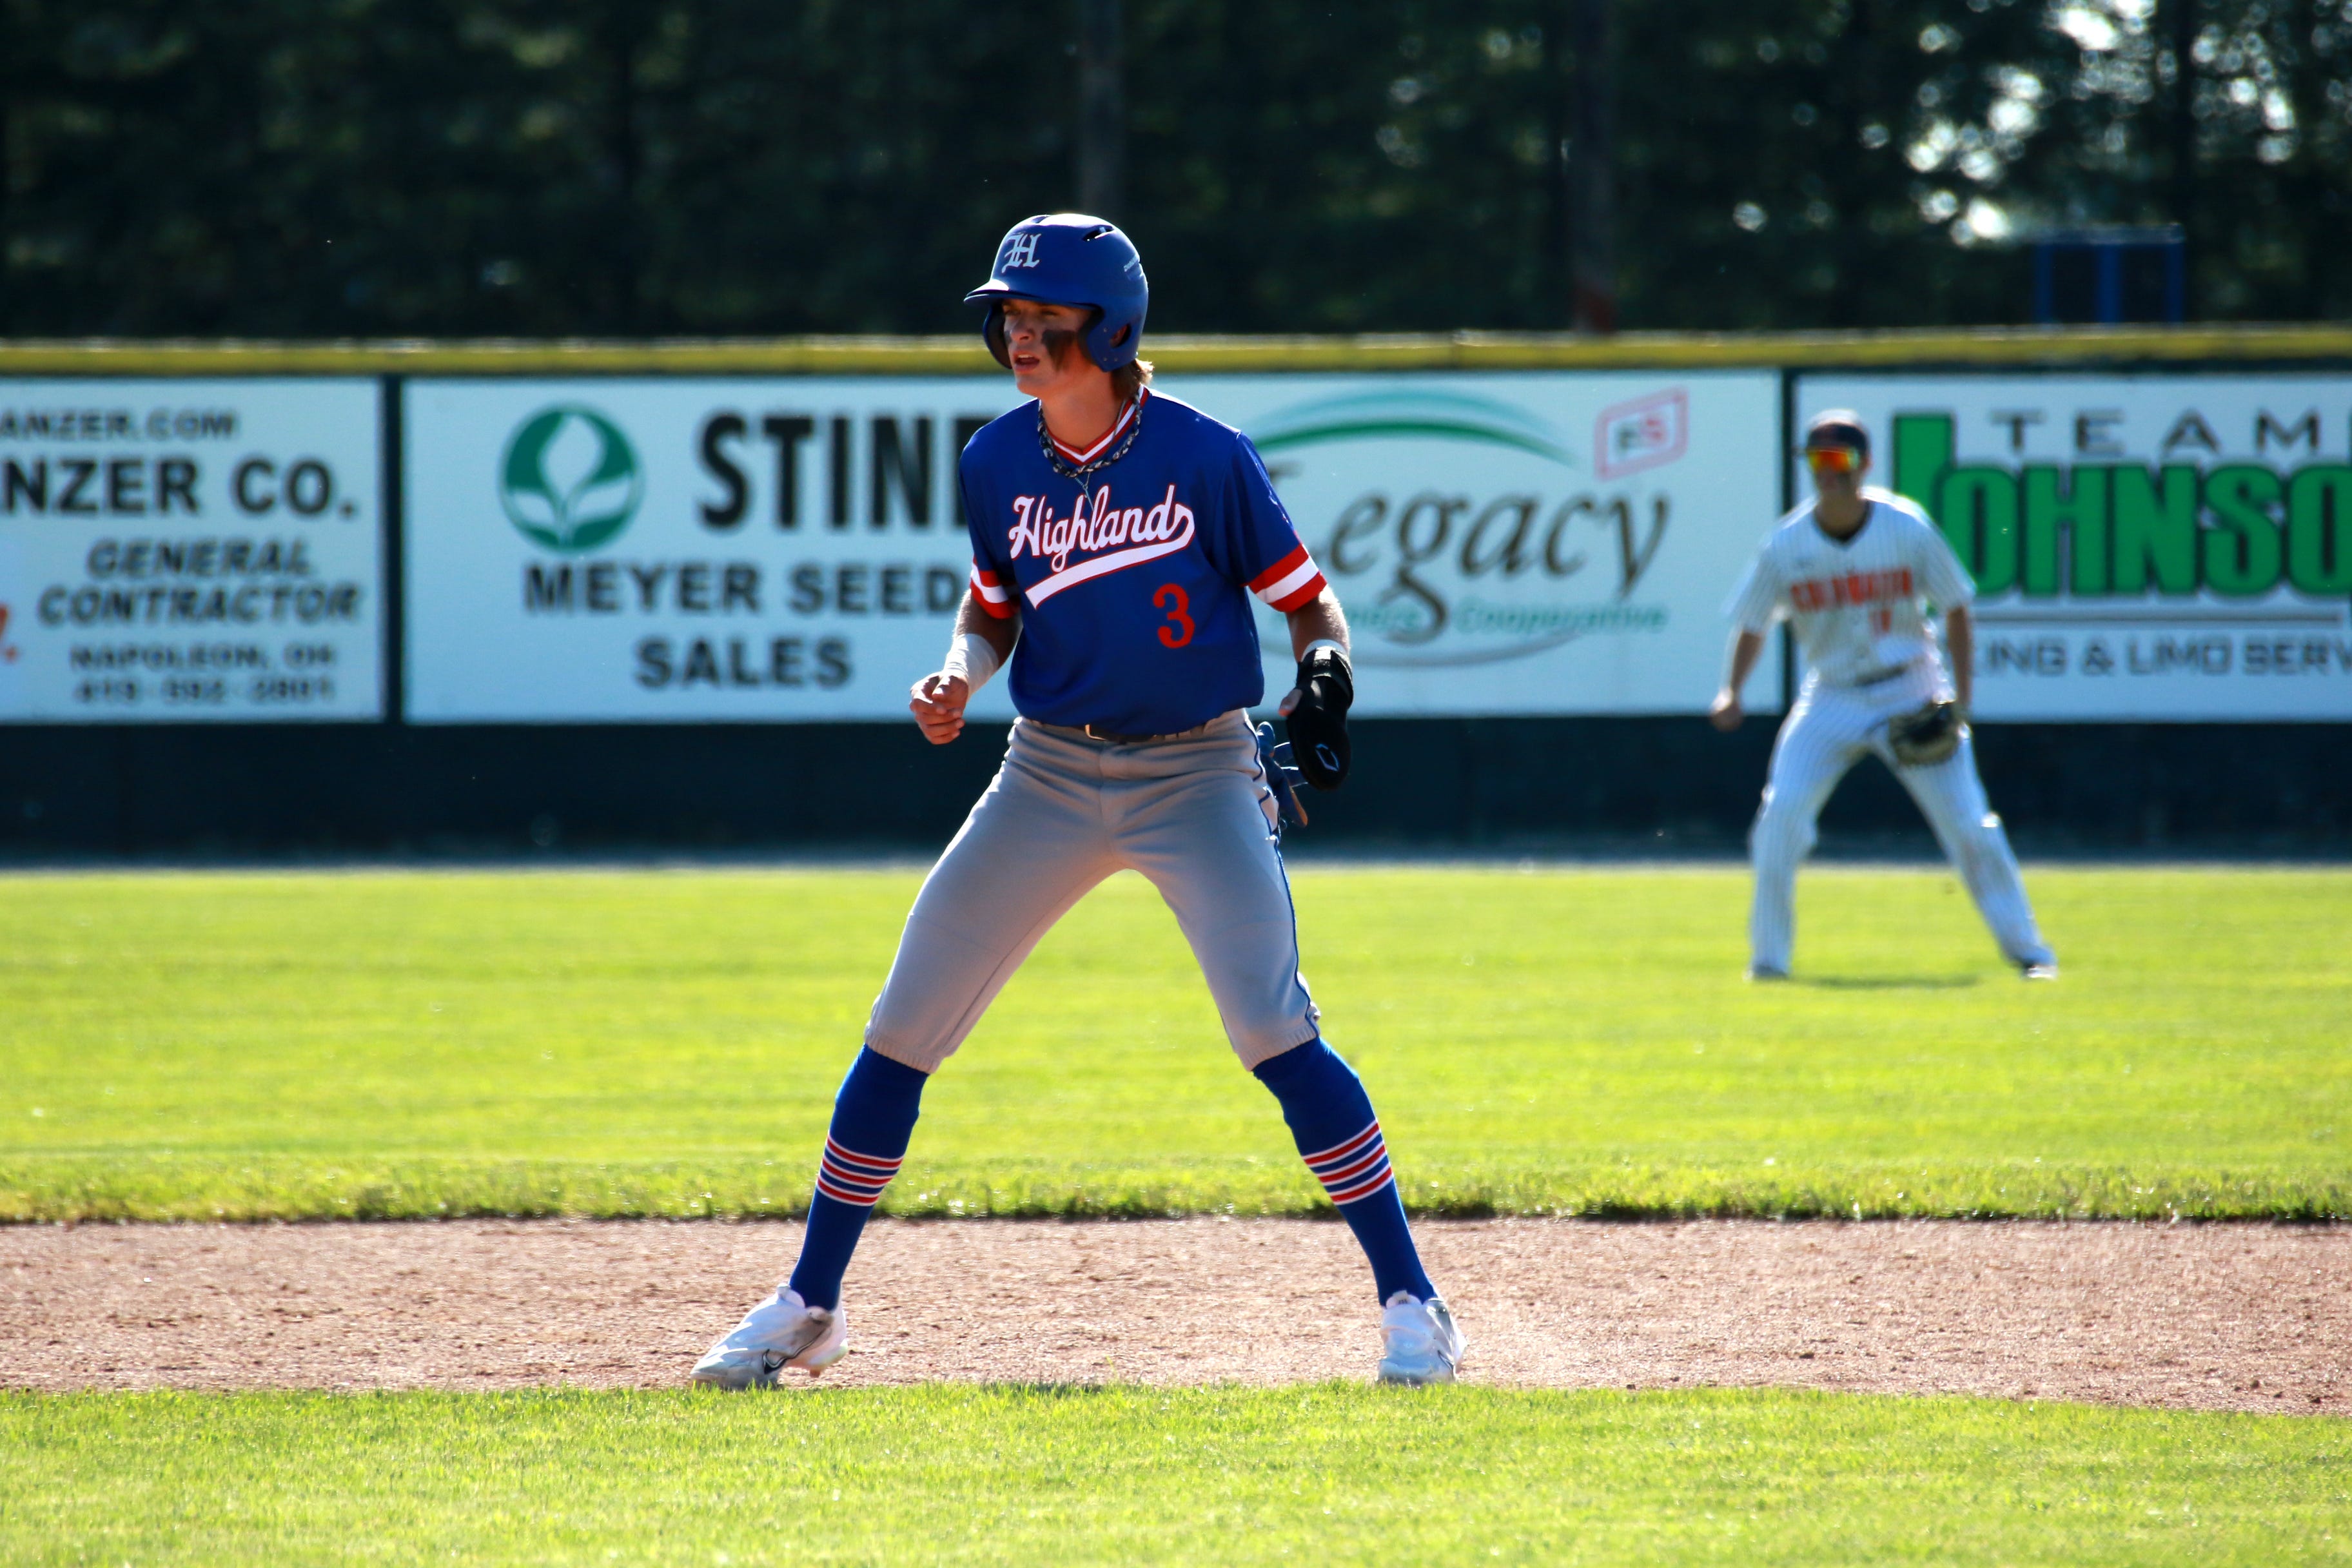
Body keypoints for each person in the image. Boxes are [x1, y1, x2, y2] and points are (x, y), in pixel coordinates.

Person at [691, 213, 1464, 1390]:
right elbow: (994, 603)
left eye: (1044, 317)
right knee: (903, 1026)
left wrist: (1324, 674)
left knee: (1273, 1028)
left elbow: (1308, 600)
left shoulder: (1205, 454)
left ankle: (1414, 1302)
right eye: (1008, 315)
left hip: (1196, 770)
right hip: (1045, 771)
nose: (1018, 335)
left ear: (1111, 329)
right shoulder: (994, 459)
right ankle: (810, 1303)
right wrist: (960, 670)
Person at [1709, 409, 2057, 982]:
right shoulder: (1786, 544)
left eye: (1839, 458)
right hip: (1831, 696)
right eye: (1816, 460)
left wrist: (1961, 701)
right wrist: (1732, 690)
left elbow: (1956, 604)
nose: (1828, 472)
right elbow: (1752, 621)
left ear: (1865, 463)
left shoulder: (1905, 527)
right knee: (1779, 820)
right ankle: (1769, 962)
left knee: (1970, 826)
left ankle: (2031, 954)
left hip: (1911, 688)